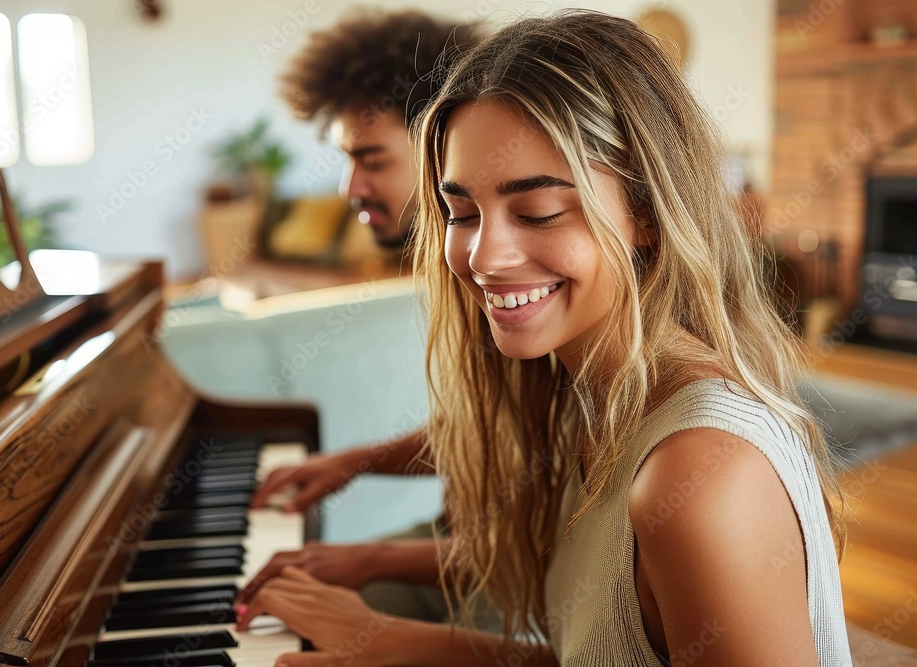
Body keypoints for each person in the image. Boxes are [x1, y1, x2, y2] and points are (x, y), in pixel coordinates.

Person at [237, 8, 855, 667]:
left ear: (645, 213)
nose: (484, 257)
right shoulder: (582, 397)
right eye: (462, 212)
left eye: (538, 211)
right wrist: (385, 639)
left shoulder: (702, 476)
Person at [236, 8, 480, 624]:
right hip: (458, 538)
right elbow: (487, 436)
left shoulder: (513, 296)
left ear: (441, 150)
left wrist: (365, 559)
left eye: (371, 160)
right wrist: (354, 461)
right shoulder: (459, 278)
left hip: (498, 591)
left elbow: (547, 561)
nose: (350, 188)